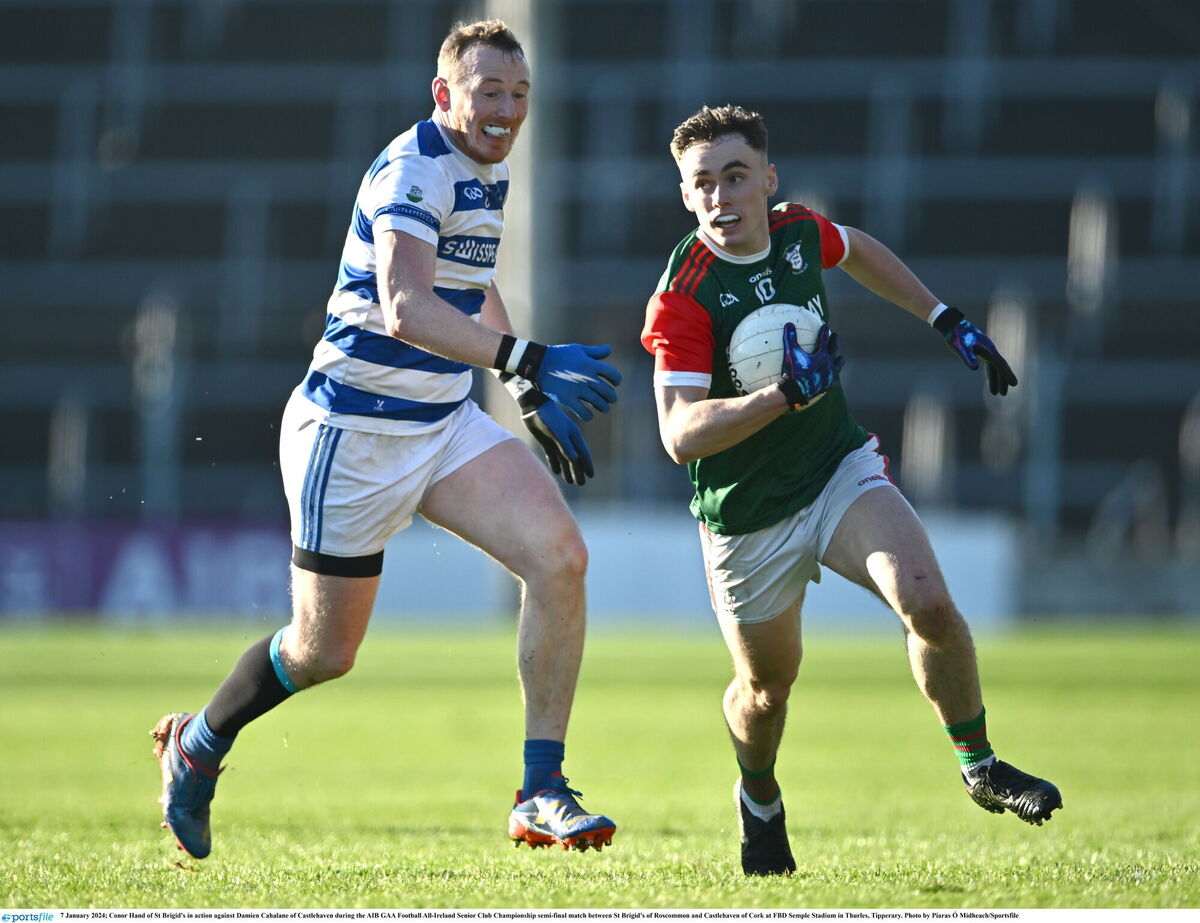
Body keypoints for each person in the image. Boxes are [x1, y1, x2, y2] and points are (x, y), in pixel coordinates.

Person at [152, 19, 620, 859]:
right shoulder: (415, 167)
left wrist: (518, 384)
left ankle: (541, 787)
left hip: (439, 424)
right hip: (352, 434)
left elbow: (468, 288)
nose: (508, 109)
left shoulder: (489, 164)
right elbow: (406, 306)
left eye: (519, 94)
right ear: (444, 94)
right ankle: (200, 742)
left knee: (560, 557)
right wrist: (526, 357)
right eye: (489, 92)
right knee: (324, 651)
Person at [640, 104, 1061, 876]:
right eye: (703, 183)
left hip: (837, 467)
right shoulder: (684, 293)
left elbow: (857, 249)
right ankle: (759, 798)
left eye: (736, 176)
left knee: (928, 600)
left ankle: (980, 763)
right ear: (686, 196)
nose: (722, 197)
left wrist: (943, 317)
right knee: (766, 691)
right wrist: (781, 397)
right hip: (747, 516)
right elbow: (679, 434)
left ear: (768, 181)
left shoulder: (800, 232)